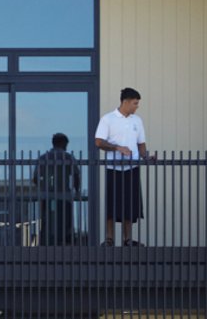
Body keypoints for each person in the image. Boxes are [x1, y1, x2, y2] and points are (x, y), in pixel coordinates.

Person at [94, 87, 151, 246]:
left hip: (132, 167)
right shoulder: (108, 119)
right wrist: (117, 148)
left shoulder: (137, 120)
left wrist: (146, 156)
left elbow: (141, 144)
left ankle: (127, 239)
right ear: (125, 102)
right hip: (114, 168)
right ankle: (110, 238)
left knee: (130, 203)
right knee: (112, 203)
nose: (137, 106)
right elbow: (99, 142)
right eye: (135, 103)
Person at [32, 133, 82, 245]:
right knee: (65, 223)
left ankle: (47, 244)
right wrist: (77, 190)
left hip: (46, 197)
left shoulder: (43, 158)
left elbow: (35, 178)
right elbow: (75, 176)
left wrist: (43, 187)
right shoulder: (68, 157)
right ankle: (64, 243)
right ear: (63, 143)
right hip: (64, 197)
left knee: (47, 222)